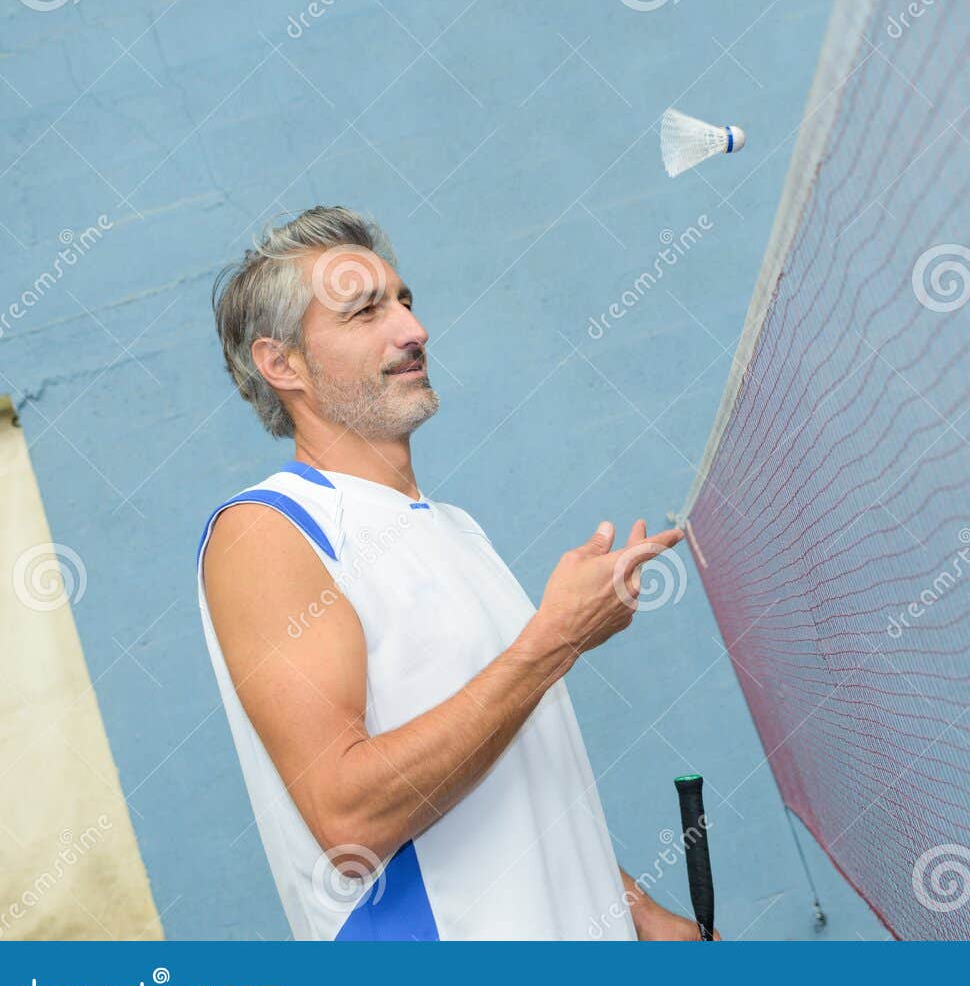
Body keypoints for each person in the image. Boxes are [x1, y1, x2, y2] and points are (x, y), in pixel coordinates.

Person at [199, 206, 707, 939]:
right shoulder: (267, 533)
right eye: (364, 311)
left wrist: (643, 915)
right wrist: (555, 639)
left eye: (404, 301)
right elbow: (350, 816)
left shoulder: (453, 528)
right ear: (283, 365)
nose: (412, 330)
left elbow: (500, 785)